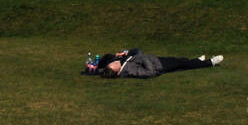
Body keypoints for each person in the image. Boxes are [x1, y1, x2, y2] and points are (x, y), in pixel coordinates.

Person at [85, 49, 224, 78]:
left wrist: (121, 54)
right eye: (113, 65)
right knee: (182, 64)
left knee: (180, 60)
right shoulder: (130, 70)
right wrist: (143, 59)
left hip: (155, 59)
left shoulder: (121, 63)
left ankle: (196, 61)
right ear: (116, 71)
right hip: (159, 65)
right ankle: (209, 62)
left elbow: (136, 50)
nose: (114, 62)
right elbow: (149, 73)